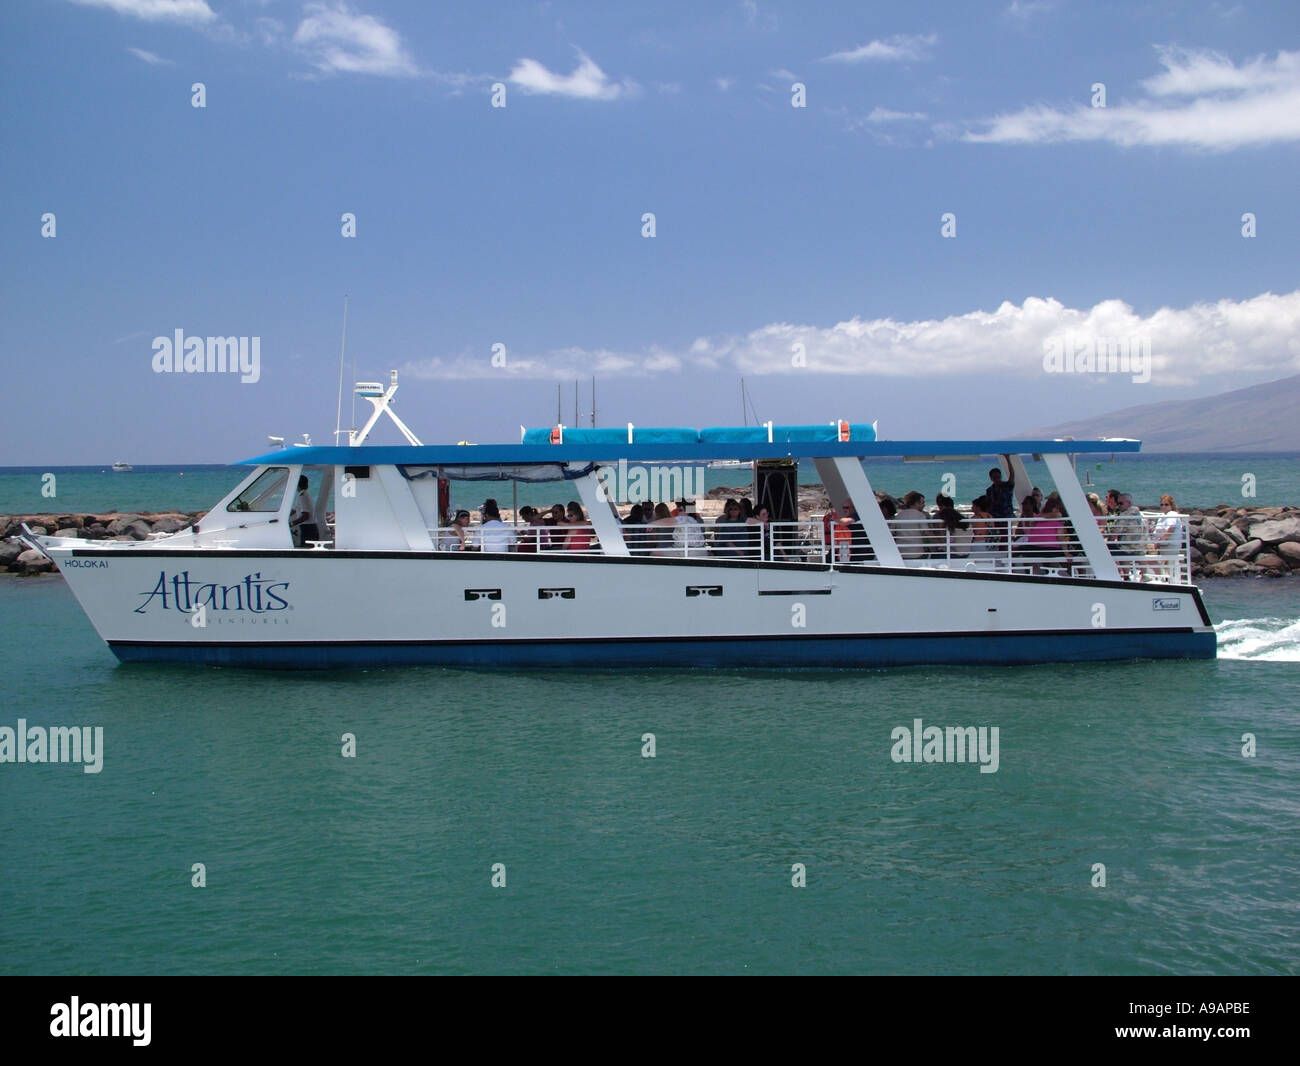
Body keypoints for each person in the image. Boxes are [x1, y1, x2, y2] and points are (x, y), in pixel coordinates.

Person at [931, 494, 972, 558]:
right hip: (966, 553)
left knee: (934, 555)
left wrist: (941, 530)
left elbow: (946, 542)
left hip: (956, 554)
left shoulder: (952, 528)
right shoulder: (967, 524)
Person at [893, 491, 930, 560]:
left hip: (901, 553)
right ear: (916, 503)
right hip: (917, 553)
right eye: (922, 503)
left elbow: (892, 533)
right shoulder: (920, 515)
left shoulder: (899, 516)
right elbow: (926, 532)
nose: (924, 505)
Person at [1110, 493, 1148, 557]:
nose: (1118, 505)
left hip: (1128, 549)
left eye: (1121, 503)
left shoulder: (1124, 516)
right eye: (1118, 503)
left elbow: (1113, 536)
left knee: (1106, 549)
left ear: (1129, 503)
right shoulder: (1139, 513)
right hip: (1140, 548)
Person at [290, 475, 319, 547]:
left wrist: (292, 523)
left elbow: (306, 516)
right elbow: (295, 509)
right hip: (308, 528)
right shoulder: (304, 495)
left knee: (307, 551)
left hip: (308, 529)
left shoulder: (303, 496)